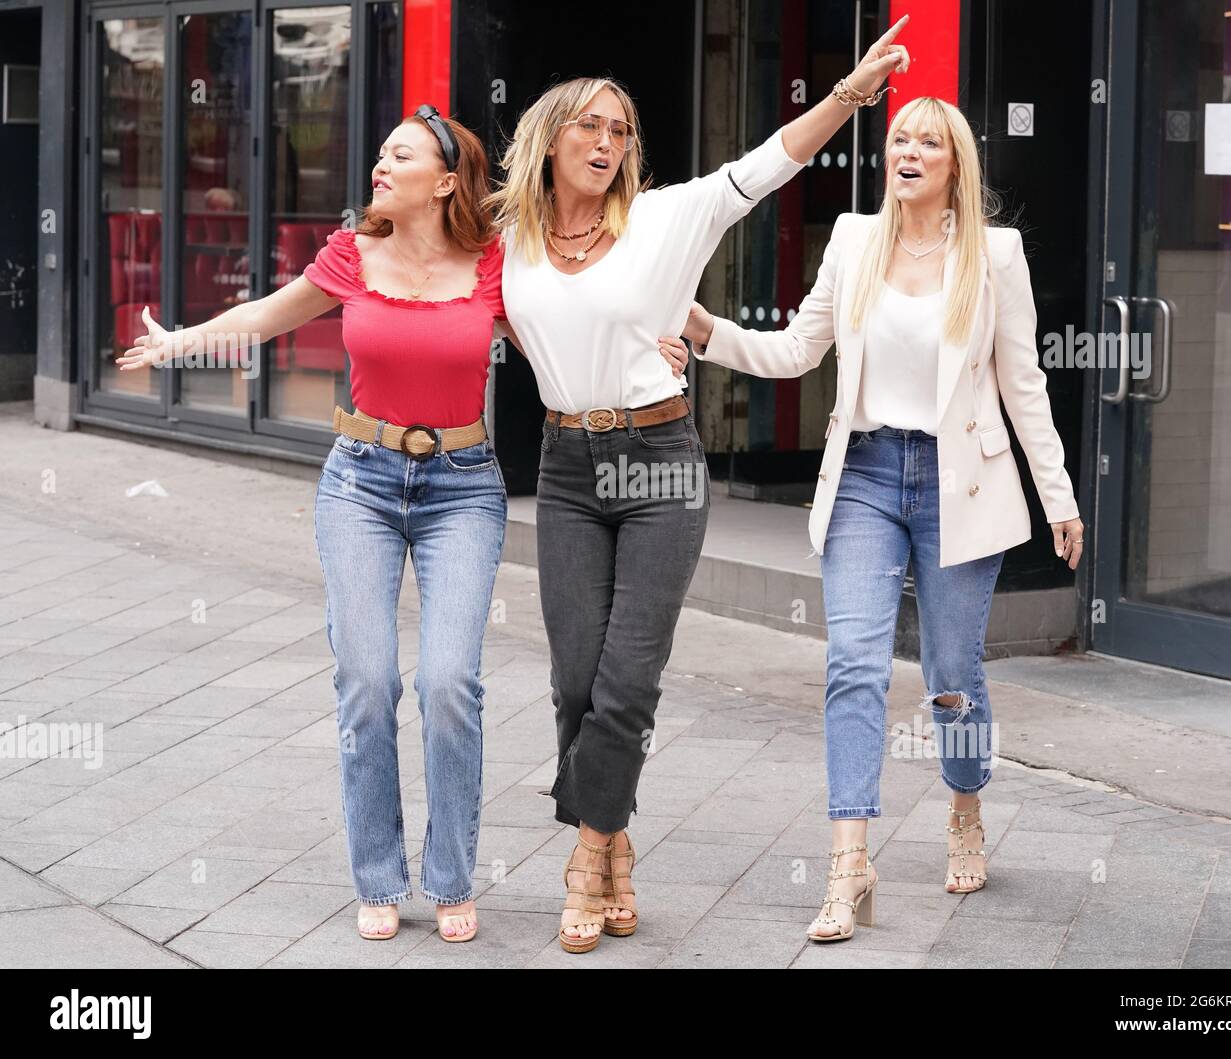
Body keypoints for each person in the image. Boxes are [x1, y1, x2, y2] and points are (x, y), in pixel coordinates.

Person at [486, 17, 914, 953]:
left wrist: (845, 95)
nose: (607, 143)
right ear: (549, 140)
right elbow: (479, 312)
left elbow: (769, 163)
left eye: (621, 131)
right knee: (572, 676)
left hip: (659, 461)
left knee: (628, 675)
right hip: (566, 466)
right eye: (590, 127)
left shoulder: (668, 217)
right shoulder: (508, 239)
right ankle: (618, 841)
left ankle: (583, 862)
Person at [663, 95, 1085, 942]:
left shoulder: (995, 255)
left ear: (955, 164)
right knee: (853, 664)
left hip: (960, 483)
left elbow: (1022, 387)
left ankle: (964, 808)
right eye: (900, 138)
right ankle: (850, 864)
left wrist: (1060, 495)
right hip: (863, 473)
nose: (910, 151)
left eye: (930, 142)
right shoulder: (854, 240)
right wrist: (705, 328)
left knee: (950, 674)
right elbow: (795, 351)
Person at [117, 105, 507, 944]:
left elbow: (567, 338)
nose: (378, 165)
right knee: (367, 683)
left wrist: (652, 349)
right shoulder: (350, 255)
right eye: (378, 153)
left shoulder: (491, 265)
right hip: (360, 483)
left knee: (449, 684)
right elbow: (263, 316)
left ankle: (450, 876)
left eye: (398, 155)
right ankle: (378, 874)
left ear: (444, 181)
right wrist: (179, 342)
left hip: (463, 485)